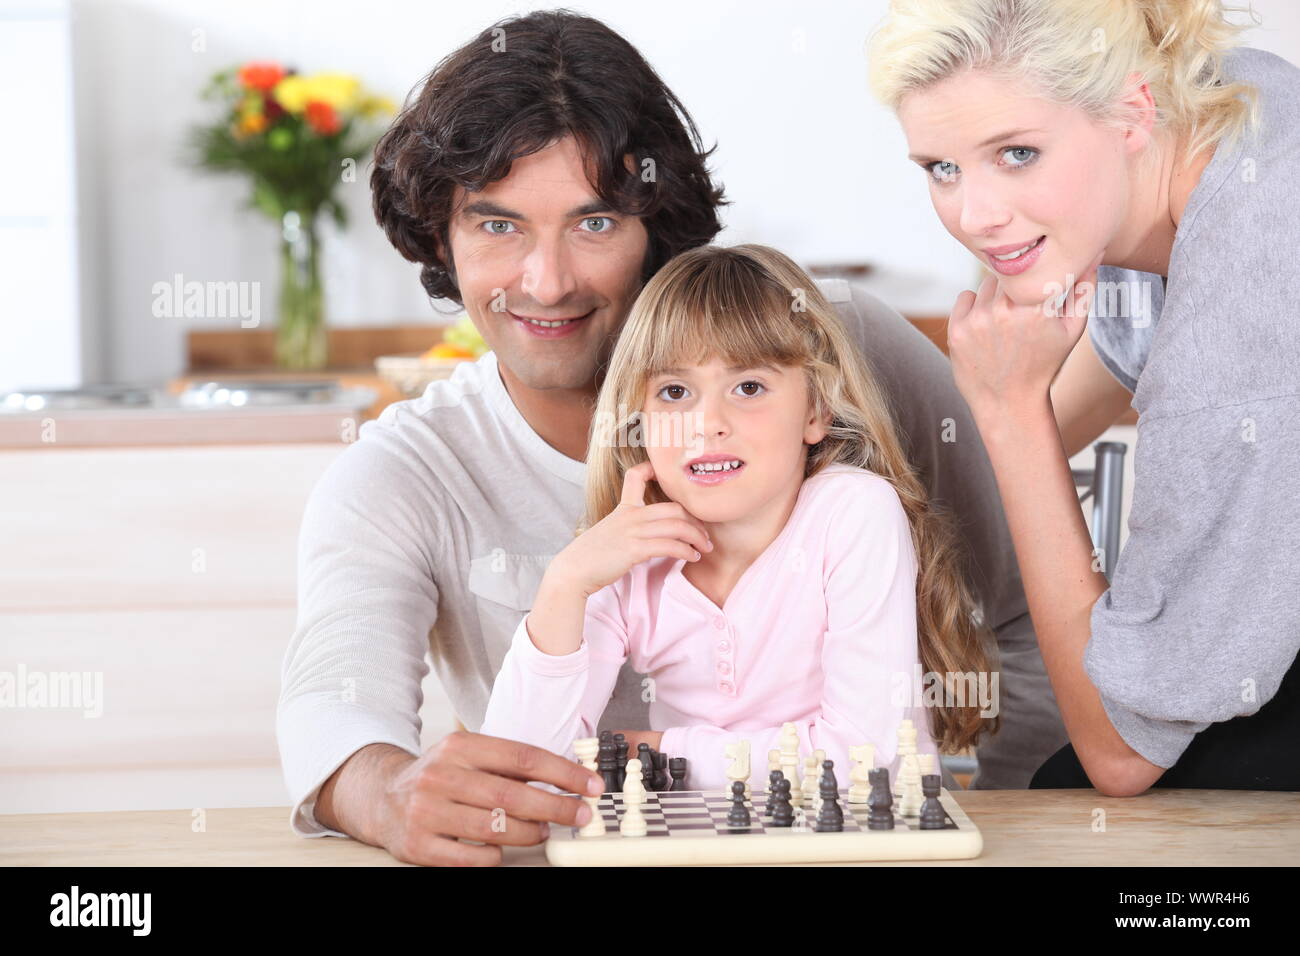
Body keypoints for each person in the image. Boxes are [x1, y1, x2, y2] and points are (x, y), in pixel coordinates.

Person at [277, 10, 1063, 867]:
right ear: (441, 235)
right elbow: (331, 702)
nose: (546, 282)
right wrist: (386, 792)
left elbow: (1028, 614)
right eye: (497, 225)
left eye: (595, 223)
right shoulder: (405, 473)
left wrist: (1024, 825)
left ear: (656, 228)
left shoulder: (829, 341)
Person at [867, 0, 1300, 794]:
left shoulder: (1240, 329)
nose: (976, 216)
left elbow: (1121, 755)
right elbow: (1112, 378)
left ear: (1132, 108)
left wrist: (1011, 412)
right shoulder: (1227, 104)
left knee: (1064, 782)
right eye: (941, 168)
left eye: (1019, 153)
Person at [480, 244, 996, 787]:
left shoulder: (852, 512)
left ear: (816, 409)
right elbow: (521, 769)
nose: (707, 424)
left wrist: (664, 754)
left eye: (748, 387)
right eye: (674, 392)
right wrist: (564, 584)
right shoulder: (629, 550)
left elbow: (865, 762)